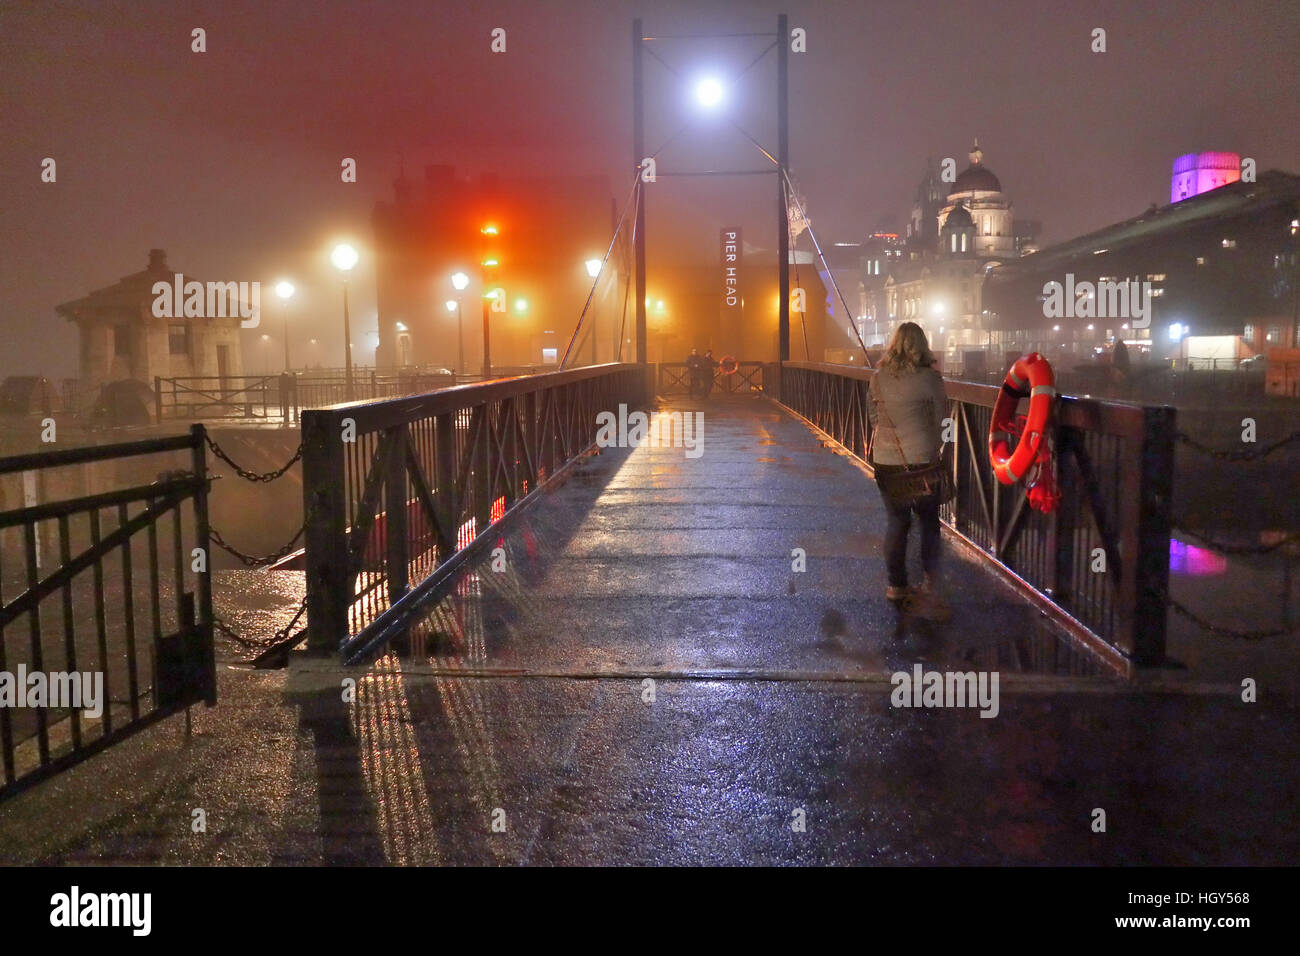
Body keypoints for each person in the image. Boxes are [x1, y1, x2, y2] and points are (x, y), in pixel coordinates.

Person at [867, 321, 950, 619]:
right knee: (928, 522)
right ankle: (929, 582)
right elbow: (944, 418)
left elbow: (874, 417)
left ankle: (896, 585)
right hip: (923, 463)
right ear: (923, 346)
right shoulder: (931, 378)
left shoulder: (877, 379)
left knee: (897, 521)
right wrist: (934, 445)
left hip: (887, 463)